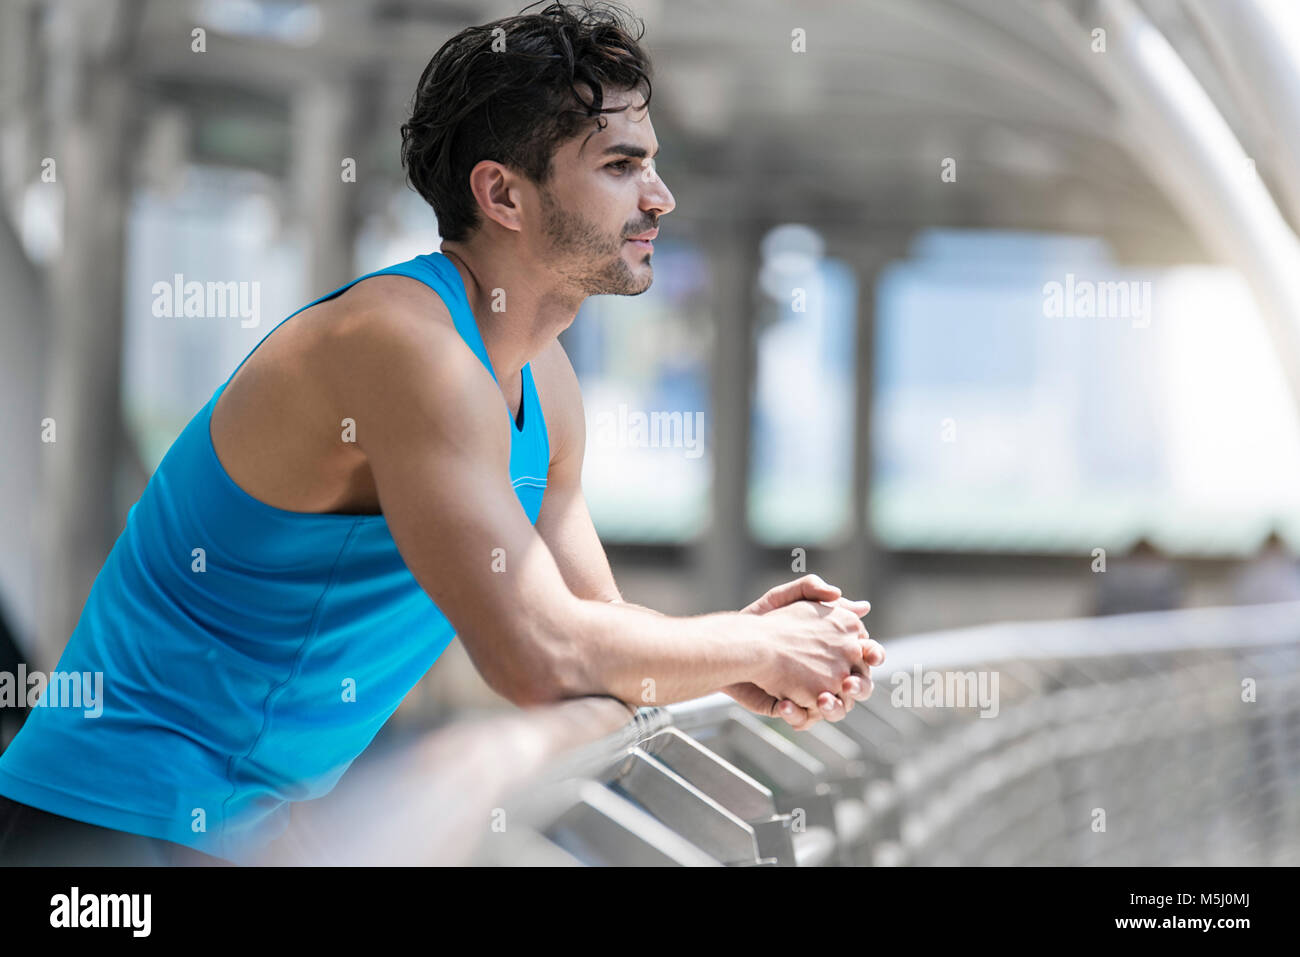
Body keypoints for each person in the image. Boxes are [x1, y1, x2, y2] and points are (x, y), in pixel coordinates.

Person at [0, 1, 880, 866]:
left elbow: (593, 628)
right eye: (620, 165)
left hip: (248, 831)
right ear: (501, 193)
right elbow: (537, 657)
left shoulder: (547, 382)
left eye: (650, 163)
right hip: (102, 824)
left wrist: (736, 660)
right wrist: (757, 644)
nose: (661, 196)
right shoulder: (403, 348)